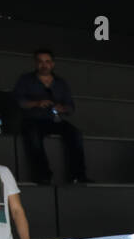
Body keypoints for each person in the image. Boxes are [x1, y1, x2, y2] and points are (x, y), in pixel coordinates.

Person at [13, 49, 90, 185]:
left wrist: (62, 108)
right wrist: (37, 103)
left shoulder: (61, 83)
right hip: (33, 119)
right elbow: (18, 101)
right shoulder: (25, 80)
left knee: (75, 133)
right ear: (35, 63)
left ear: (52, 64)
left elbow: (71, 107)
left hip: (54, 120)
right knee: (33, 135)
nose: (44, 65)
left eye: (47, 62)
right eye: (40, 62)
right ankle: (43, 175)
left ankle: (78, 175)